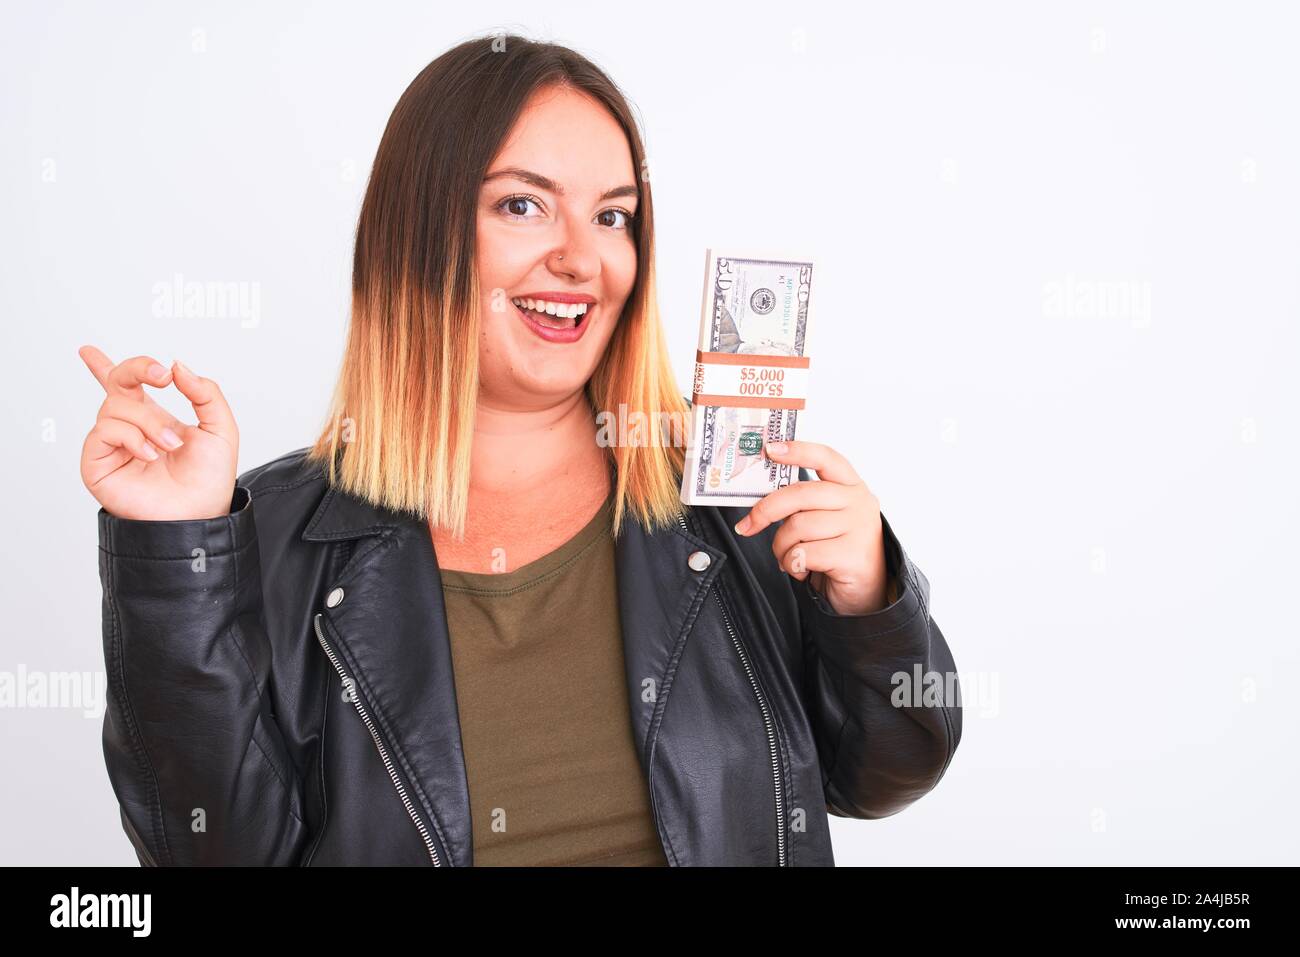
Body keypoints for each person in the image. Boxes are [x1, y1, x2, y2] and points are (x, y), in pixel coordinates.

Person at [79, 34, 961, 866]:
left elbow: (880, 773)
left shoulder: (738, 494)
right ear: (416, 237)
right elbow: (211, 851)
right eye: (523, 204)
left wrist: (875, 602)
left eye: (614, 217)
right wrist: (177, 558)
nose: (582, 257)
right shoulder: (269, 537)